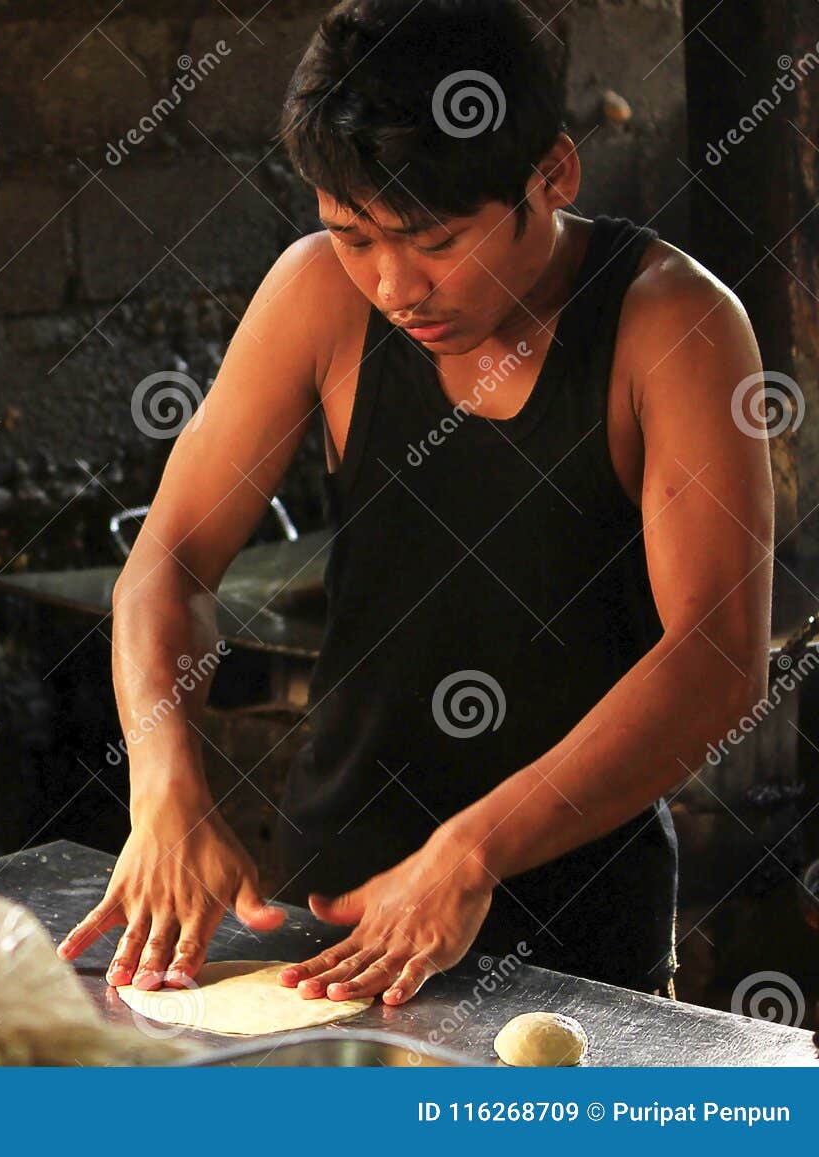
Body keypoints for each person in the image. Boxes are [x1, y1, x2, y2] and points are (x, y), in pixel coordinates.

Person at [57, 0, 774, 1005]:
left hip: (579, 930)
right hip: (333, 904)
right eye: (351, 234)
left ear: (551, 175)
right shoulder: (316, 293)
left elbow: (716, 656)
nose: (395, 285)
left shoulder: (674, 323)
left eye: (435, 239)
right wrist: (163, 782)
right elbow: (166, 565)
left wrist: (471, 851)